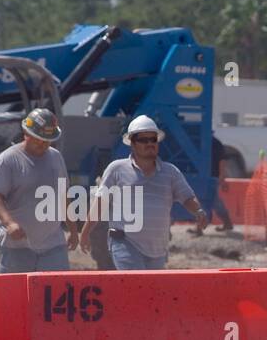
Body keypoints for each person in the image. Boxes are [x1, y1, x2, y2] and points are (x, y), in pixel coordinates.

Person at [80, 115, 209, 270]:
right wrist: (86, 232)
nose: (150, 144)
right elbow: (100, 203)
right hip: (125, 243)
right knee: (136, 286)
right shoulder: (117, 169)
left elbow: (187, 197)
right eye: (144, 140)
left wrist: (198, 211)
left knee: (150, 293)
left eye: (153, 139)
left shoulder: (171, 172)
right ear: (132, 144)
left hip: (157, 249)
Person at [0, 108, 77, 273]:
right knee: (16, 296)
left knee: (54, 294)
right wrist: (9, 223)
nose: (43, 144)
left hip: (53, 245)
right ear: (26, 132)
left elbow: (64, 196)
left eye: (47, 140)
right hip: (17, 247)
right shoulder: (8, 160)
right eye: (39, 139)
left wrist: (73, 230)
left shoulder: (56, 158)